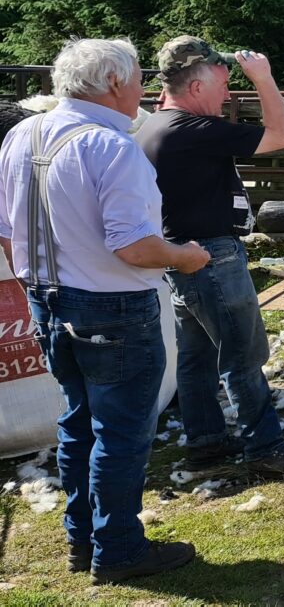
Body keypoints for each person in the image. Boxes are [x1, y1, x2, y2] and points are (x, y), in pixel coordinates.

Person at [0, 39, 210, 584]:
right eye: (139, 77)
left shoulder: (22, 134)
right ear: (115, 83)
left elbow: (7, 235)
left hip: (48, 301)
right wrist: (185, 257)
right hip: (114, 308)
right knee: (120, 434)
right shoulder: (111, 147)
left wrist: (40, 283)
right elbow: (136, 247)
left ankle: (83, 540)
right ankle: (118, 550)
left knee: (78, 423)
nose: (144, 88)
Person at [136, 37, 284, 478]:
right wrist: (265, 79)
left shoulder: (156, 126)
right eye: (223, 85)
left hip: (183, 255)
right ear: (195, 88)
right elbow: (282, 135)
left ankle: (206, 439)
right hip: (212, 256)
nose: (229, 95)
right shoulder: (191, 129)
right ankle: (266, 447)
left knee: (196, 356)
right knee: (243, 353)